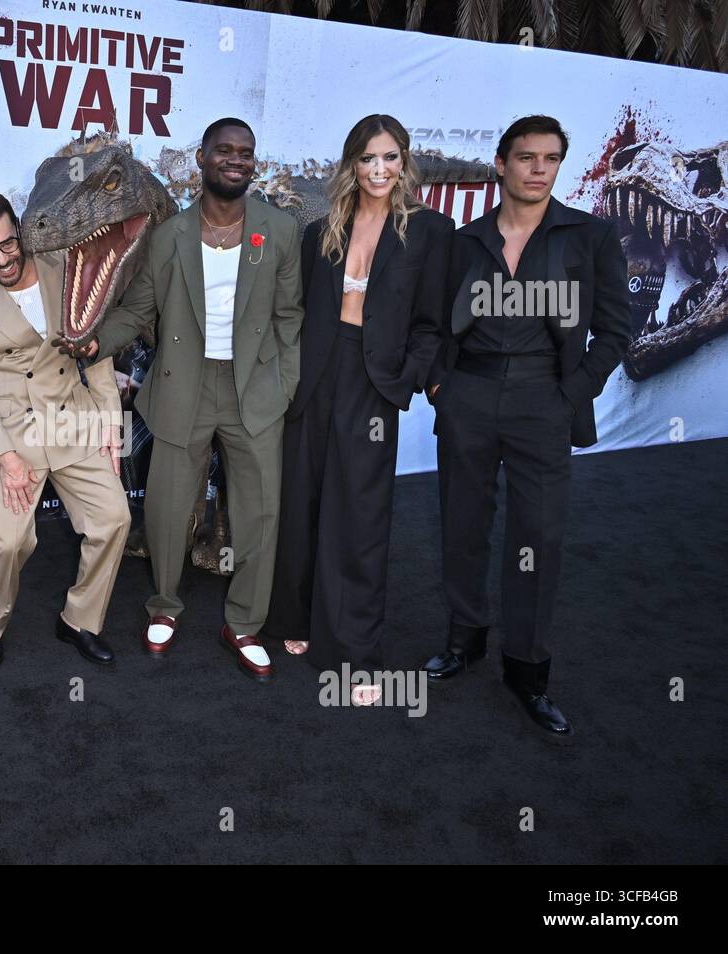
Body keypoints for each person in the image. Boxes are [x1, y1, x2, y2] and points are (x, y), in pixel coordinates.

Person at [62, 118, 303, 682]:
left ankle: (243, 623)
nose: (236, 160)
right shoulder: (171, 235)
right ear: (202, 157)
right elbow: (139, 309)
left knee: (259, 513)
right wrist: (97, 340)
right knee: (168, 510)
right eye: (225, 151)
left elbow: (290, 317)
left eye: (246, 152)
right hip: (182, 385)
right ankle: (164, 606)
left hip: (255, 391)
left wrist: (284, 382)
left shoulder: (280, 230)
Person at [420, 115, 632, 739]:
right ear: (501, 164)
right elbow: (432, 322)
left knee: (537, 536)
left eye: (550, 159)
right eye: (526, 158)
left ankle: (528, 671)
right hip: (470, 393)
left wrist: (572, 395)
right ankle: (464, 641)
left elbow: (616, 329)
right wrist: (440, 387)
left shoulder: (589, 237)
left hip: (546, 397)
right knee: (462, 524)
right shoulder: (465, 241)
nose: (539, 169)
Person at [264, 115, 453, 705]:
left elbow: (434, 324)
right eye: (368, 159)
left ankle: (354, 653)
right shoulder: (321, 228)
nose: (379, 170)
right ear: (351, 163)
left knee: (361, 514)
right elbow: (294, 310)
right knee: (303, 499)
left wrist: (407, 380)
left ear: (405, 161)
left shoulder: (430, 231)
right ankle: (295, 621)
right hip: (315, 375)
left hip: (373, 382)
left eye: (390, 157)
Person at [0, 191, 129, 669]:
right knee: (8, 542)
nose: (0, 259)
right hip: (13, 433)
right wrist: (4, 457)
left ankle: (80, 620)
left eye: (6, 244)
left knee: (113, 520)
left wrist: (111, 419)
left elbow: (95, 346)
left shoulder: (64, 266)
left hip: (73, 414)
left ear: (20, 231)